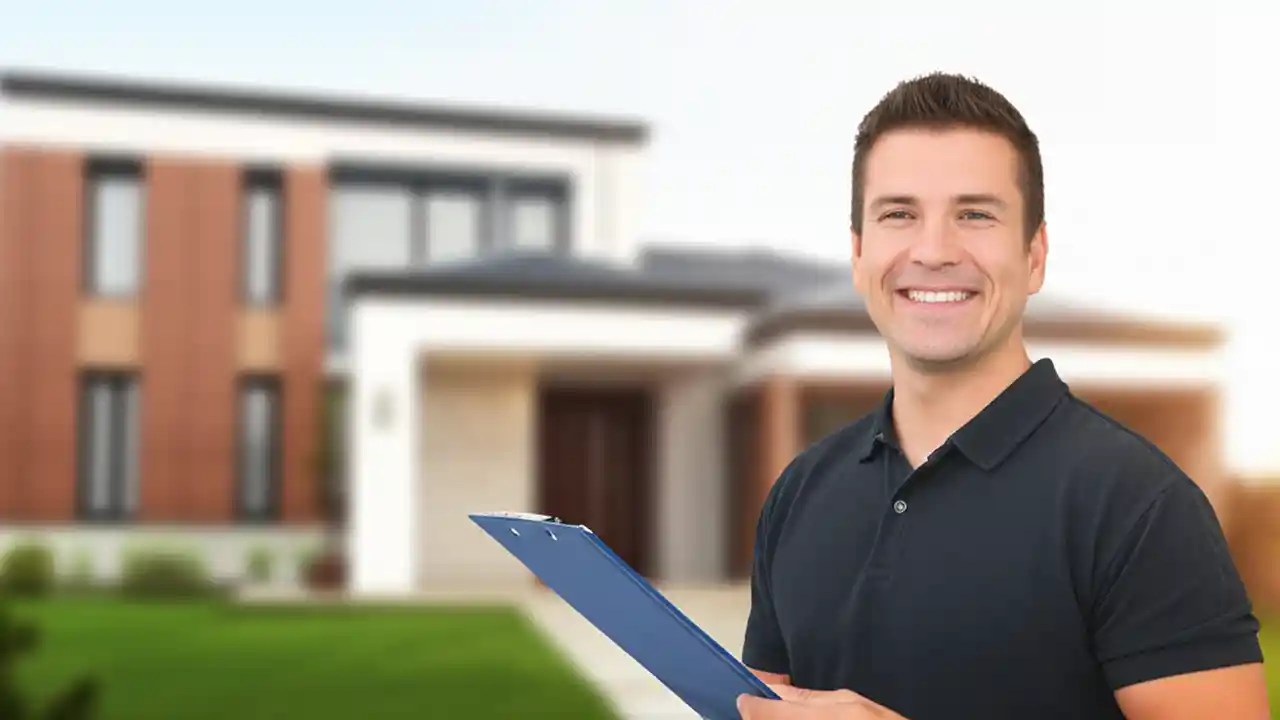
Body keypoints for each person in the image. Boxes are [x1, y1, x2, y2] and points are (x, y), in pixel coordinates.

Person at [735, 73, 1269, 719]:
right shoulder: (798, 494)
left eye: (975, 215)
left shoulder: (1139, 507)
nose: (933, 251)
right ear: (858, 254)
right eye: (899, 214)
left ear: (1035, 256)